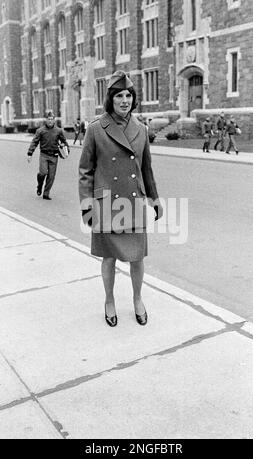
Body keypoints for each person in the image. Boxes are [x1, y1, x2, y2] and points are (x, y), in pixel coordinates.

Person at [79, 70, 163, 328]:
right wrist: (87, 206)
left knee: (138, 257)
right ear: (111, 99)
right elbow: (85, 171)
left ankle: (138, 299)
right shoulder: (96, 129)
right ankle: (109, 300)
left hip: (133, 202)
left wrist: (155, 198)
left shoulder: (141, 129)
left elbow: (145, 168)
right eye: (119, 96)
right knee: (109, 257)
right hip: (107, 203)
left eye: (128, 95)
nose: (125, 100)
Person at [27, 111, 70, 200]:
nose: (50, 121)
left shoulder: (58, 131)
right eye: (48, 119)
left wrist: (66, 150)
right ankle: (39, 185)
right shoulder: (40, 131)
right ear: (46, 120)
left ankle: (46, 193)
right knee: (43, 173)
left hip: (54, 155)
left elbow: (64, 142)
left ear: (54, 121)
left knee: (51, 176)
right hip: (44, 155)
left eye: (52, 119)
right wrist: (30, 153)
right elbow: (34, 142)